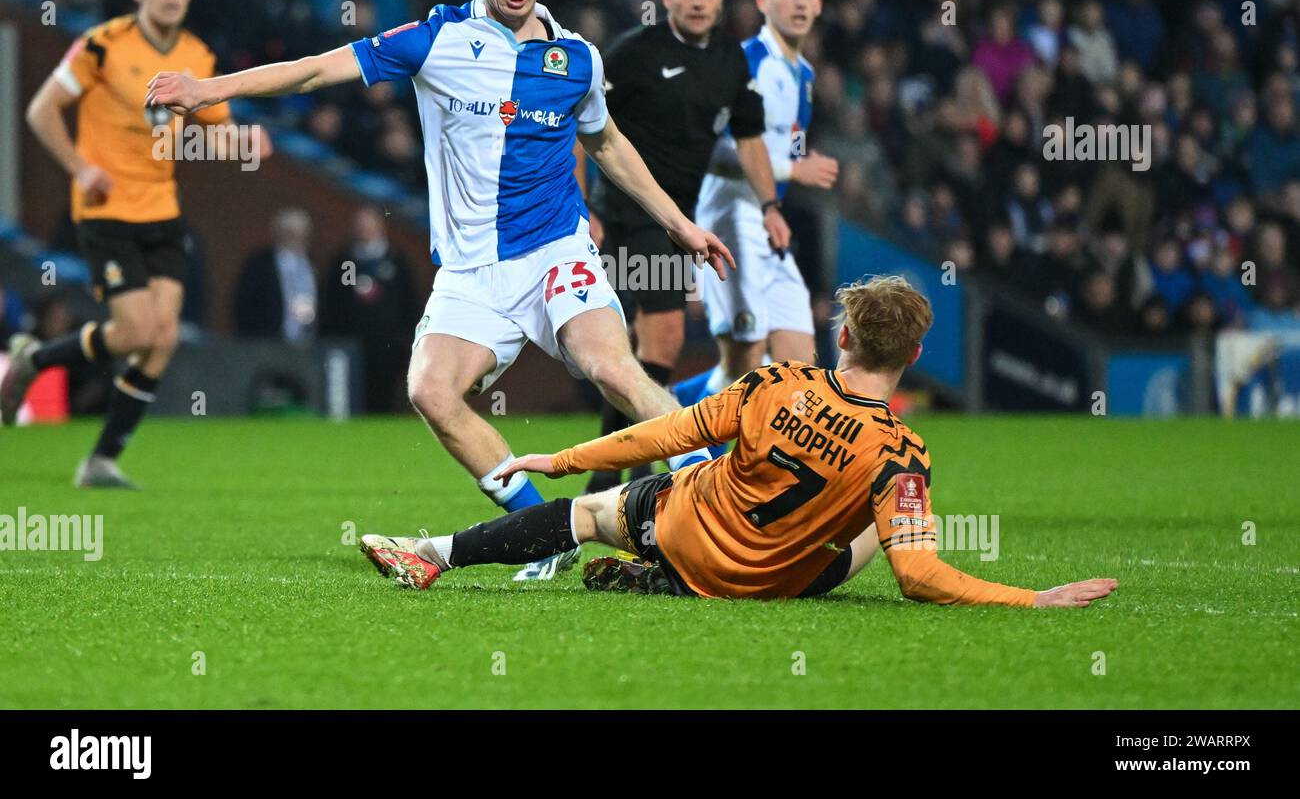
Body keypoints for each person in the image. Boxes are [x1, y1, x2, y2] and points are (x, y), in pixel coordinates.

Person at [144, 0, 735, 580]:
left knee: (612, 367)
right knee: (430, 391)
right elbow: (315, 69)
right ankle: (544, 532)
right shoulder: (436, 39)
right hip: (471, 272)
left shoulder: (575, 59)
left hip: (556, 254)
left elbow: (606, 143)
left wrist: (678, 224)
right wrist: (205, 89)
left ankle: (717, 496)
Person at [359, 275, 1118, 610]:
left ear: (844, 335)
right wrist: (1033, 599)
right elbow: (919, 577)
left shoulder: (777, 380)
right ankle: (687, 577)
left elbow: (666, 430)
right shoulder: (906, 455)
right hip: (777, 580)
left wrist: (559, 460)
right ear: (914, 357)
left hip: (686, 529)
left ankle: (433, 555)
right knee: (882, 531)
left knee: (592, 518)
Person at [2, 0, 270, 488]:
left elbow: (213, 135)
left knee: (162, 336)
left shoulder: (197, 55)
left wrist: (241, 144)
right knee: (135, 331)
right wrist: (79, 168)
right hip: (106, 211)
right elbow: (41, 109)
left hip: (162, 209)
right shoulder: (104, 45)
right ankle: (35, 360)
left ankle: (100, 459)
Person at [584, 0, 792, 493]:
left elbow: (749, 140)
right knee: (664, 340)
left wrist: (770, 206)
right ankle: (611, 477)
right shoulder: (632, 54)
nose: (698, 4)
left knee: (638, 350)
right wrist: (586, 206)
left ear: (722, 0)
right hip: (629, 214)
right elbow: (582, 128)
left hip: (680, 219)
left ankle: (623, 471)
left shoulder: (731, 60)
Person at [672, 0, 839, 425]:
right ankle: (681, 444)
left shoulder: (803, 75)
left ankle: (670, 403)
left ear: (821, 5)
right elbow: (718, 148)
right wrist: (793, 171)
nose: (799, 3)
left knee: (801, 370)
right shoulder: (745, 62)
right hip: (729, 221)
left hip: (767, 224)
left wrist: (776, 200)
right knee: (744, 365)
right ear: (763, 2)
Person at [319, 206, 420, 412]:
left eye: (368, 225)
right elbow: (331, 304)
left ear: (380, 227)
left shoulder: (396, 261)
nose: (364, 230)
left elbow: (410, 302)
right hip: (351, 345)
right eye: (360, 226)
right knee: (353, 395)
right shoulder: (343, 261)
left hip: (389, 346)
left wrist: (408, 338)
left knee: (386, 395)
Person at [234, 208, 319, 344]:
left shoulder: (312, 263)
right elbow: (245, 304)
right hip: (269, 340)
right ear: (278, 234)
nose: (295, 240)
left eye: (300, 234)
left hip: (306, 342)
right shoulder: (261, 264)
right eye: (290, 233)